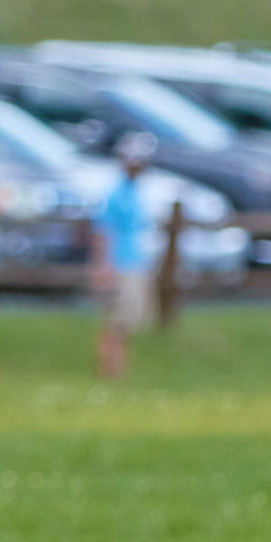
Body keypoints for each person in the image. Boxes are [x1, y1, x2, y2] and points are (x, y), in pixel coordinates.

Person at [92, 132, 159, 379]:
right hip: (119, 264)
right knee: (114, 322)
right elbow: (103, 233)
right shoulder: (116, 194)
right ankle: (108, 371)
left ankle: (120, 369)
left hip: (135, 262)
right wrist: (103, 268)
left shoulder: (136, 191)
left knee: (126, 322)